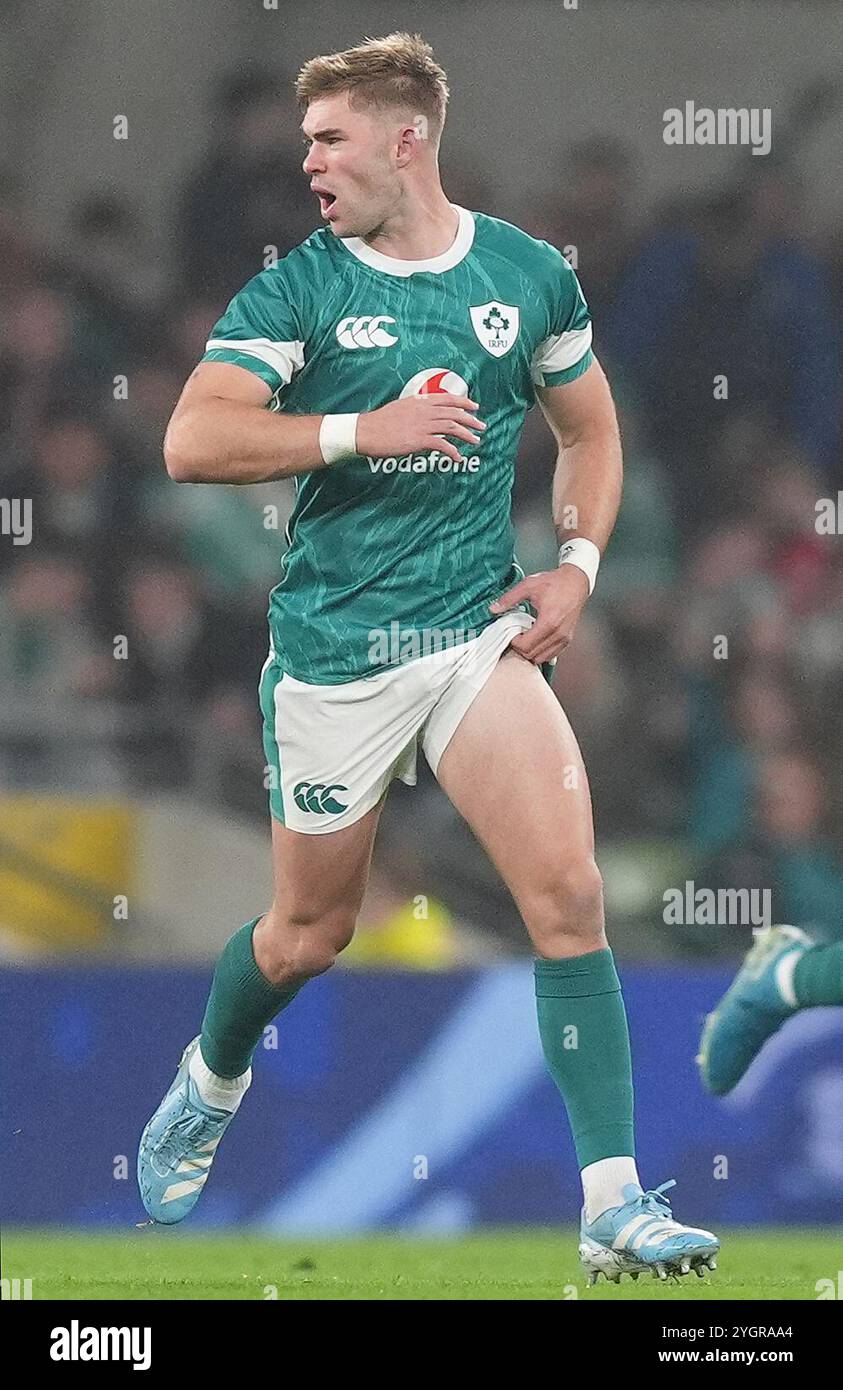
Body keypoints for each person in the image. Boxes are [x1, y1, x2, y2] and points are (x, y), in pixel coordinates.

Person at [137, 32, 718, 1282]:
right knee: (307, 933)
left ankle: (612, 1203)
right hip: (337, 653)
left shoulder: (524, 275)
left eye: (330, 140)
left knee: (566, 895)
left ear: (408, 141)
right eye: (305, 143)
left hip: (471, 638)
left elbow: (593, 432)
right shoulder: (296, 290)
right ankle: (213, 1069)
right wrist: (364, 428)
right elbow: (191, 439)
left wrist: (578, 566)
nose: (310, 165)